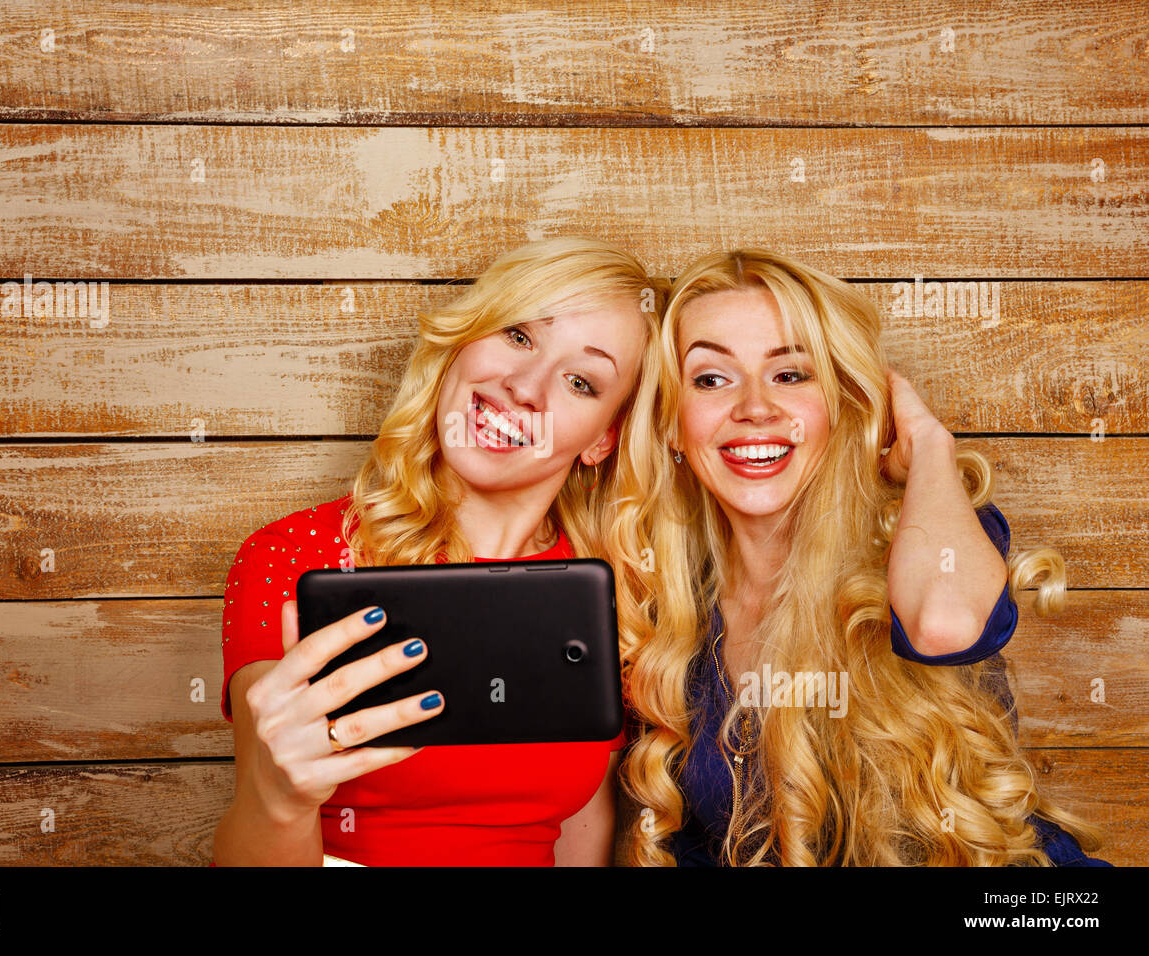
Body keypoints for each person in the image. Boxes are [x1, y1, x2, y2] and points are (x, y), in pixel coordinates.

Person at [618, 248, 1110, 866]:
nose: (754, 407)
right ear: (671, 424)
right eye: (711, 379)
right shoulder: (672, 629)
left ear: (845, 403)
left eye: (792, 374)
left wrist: (930, 444)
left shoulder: (923, 543)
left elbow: (945, 623)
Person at [212, 236, 669, 865]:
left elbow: (579, 833)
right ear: (463, 342)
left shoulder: (607, 599)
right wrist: (278, 798)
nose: (525, 387)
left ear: (604, 438)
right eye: (517, 336)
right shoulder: (297, 554)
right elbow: (252, 833)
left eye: (580, 381)